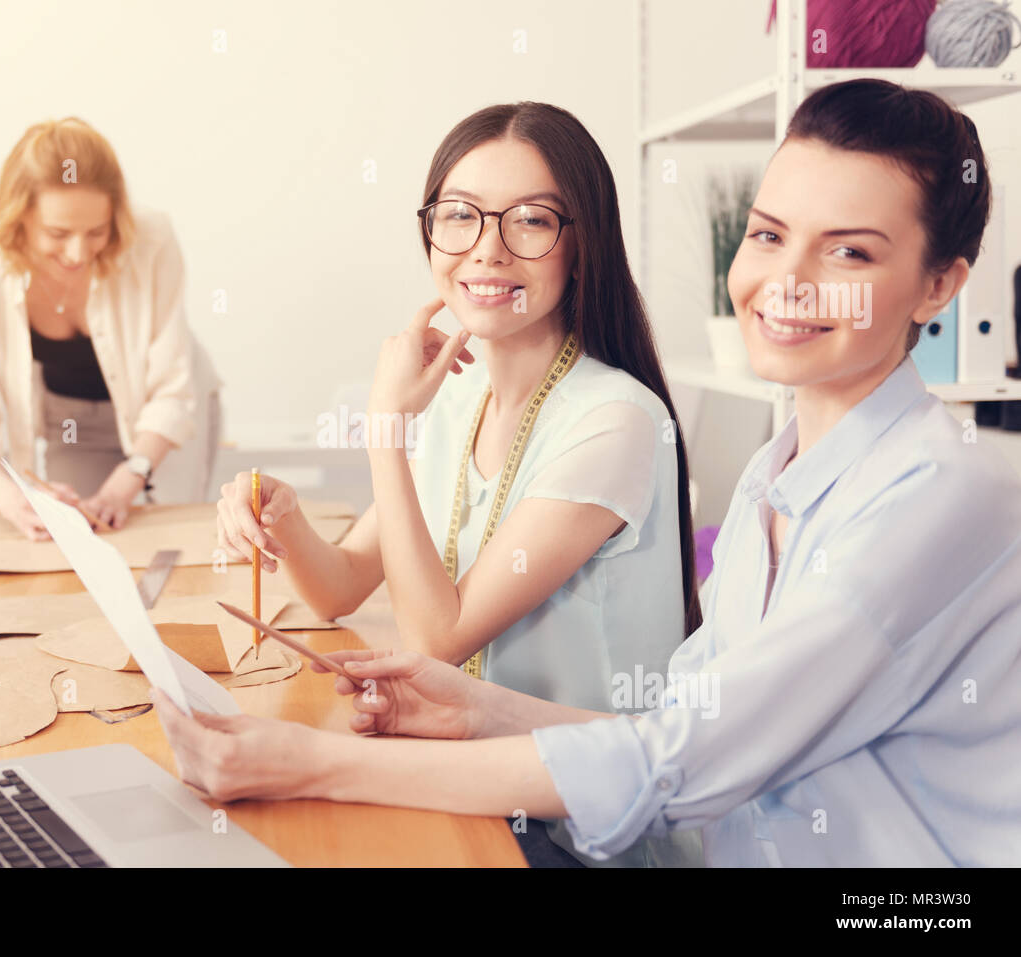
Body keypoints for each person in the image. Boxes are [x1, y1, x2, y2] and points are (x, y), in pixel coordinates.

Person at [158, 80, 1021, 866]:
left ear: (939, 285)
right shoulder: (774, 472)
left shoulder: (944, 495)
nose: (784, 282)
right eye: (766, 235)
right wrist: (472, 710)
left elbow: (682, 759)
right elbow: (681, 725)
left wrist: (317, 764)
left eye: (850, 255)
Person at [217, 102, 703, 866]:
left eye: (532, 222)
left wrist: (385, 425)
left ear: (583, 244)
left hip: (583, 833)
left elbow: (435, 639)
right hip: (482, 792)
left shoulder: (616, 421)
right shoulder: (457, 398)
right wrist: (279, 517)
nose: (487, 250)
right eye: (459, 217)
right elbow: (339, 585)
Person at [0, 117, 221, 539]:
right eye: (57, 232)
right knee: (80, 537)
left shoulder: (153, 240)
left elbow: (172, 392)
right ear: (19, 219)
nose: (77, 252)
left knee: (173, 541)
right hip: (71, 419)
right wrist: (18, 502)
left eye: (96, 232)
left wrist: (130, 478)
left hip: (166, 416)